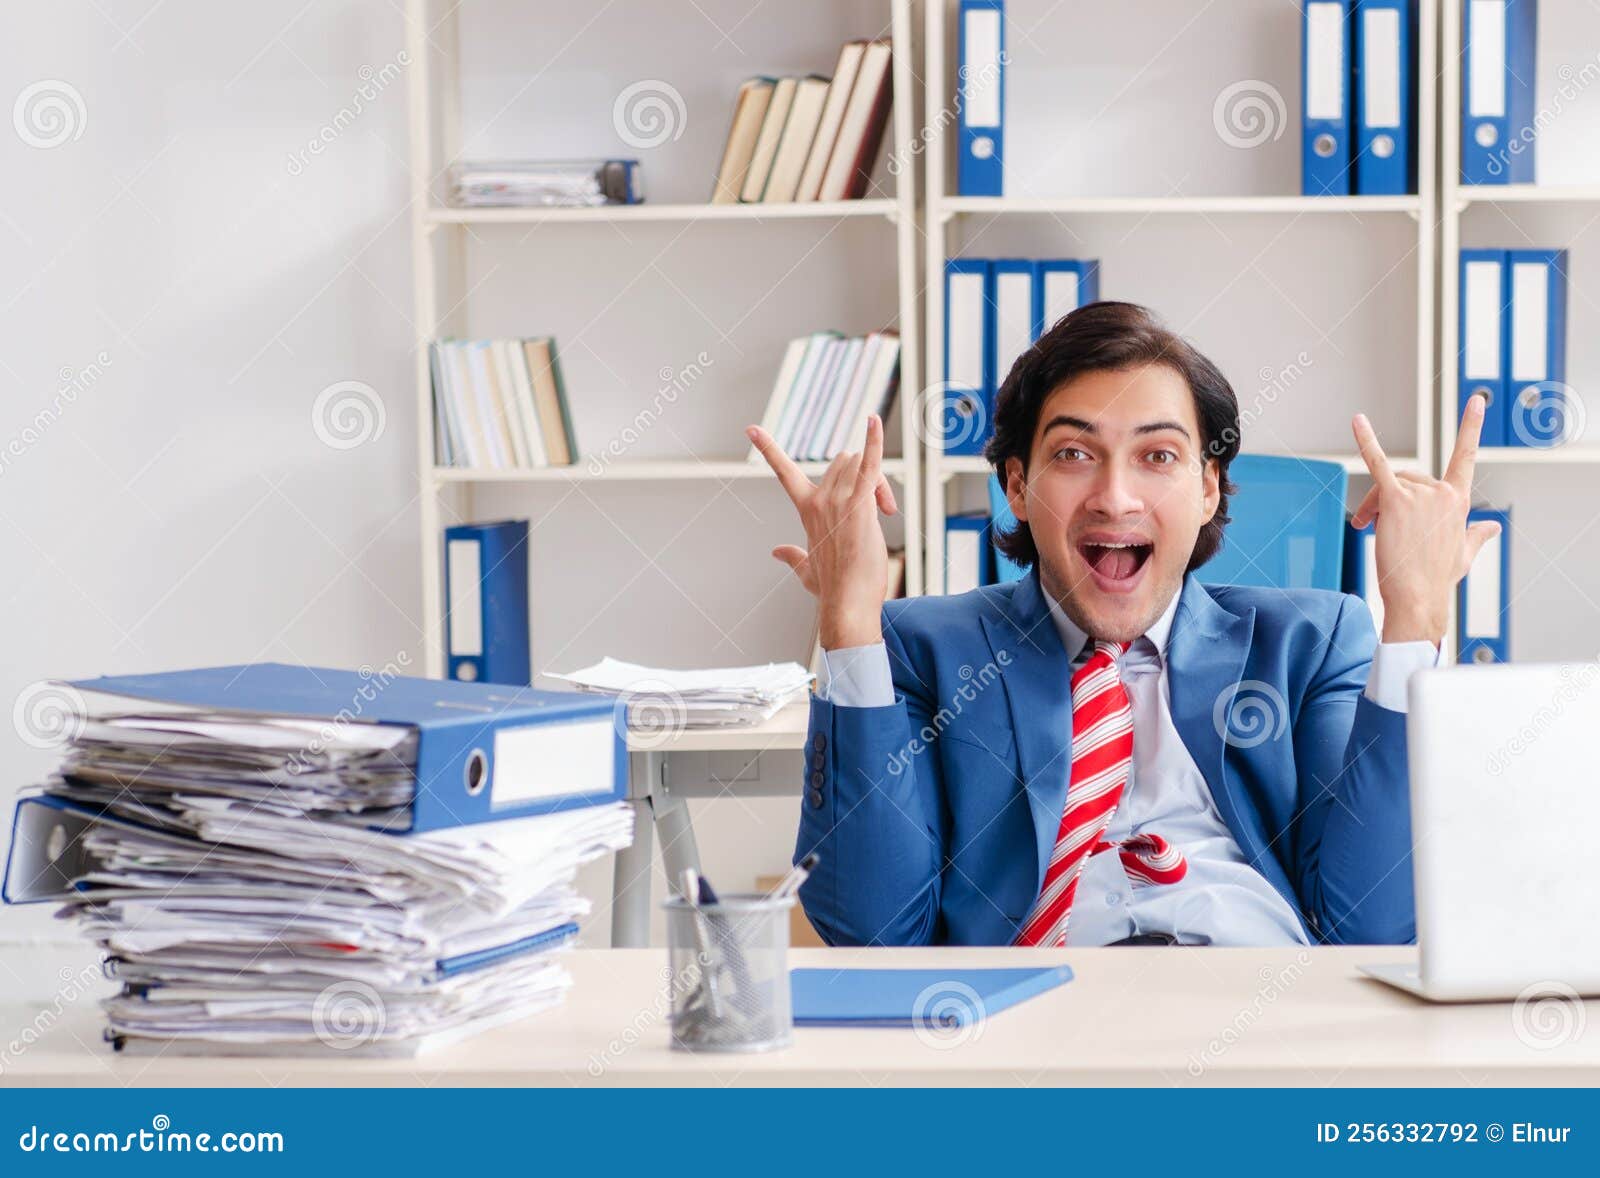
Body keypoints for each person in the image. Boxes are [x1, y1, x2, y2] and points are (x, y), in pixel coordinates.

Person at [748, 301, 1496, 948]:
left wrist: (1416, 622)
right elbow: (873, 931)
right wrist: (847, 624)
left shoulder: (1312, 641)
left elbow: (1371, 922)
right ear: (1017, 484)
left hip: (1254, 1002)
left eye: (1158, 456)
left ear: (1207, 489)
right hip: (1030, 1029)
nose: (1115, 496)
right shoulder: (921, 650)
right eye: (1074, 453)